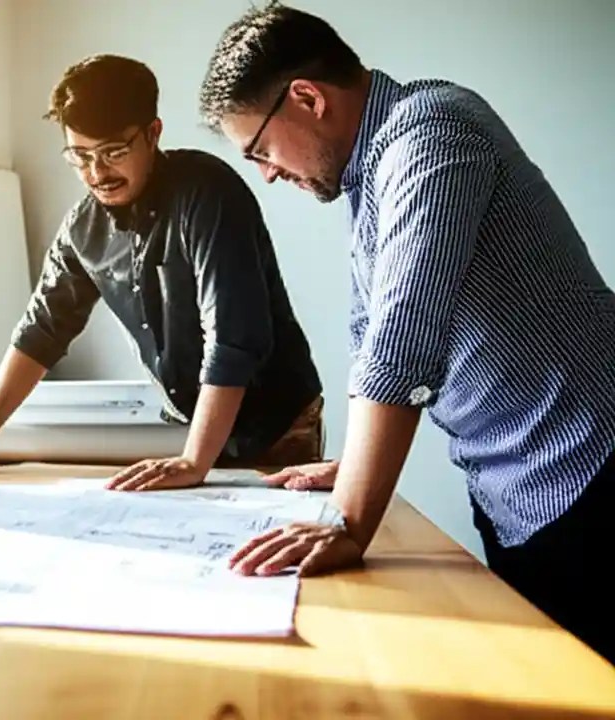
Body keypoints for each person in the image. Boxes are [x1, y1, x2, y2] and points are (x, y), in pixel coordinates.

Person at [198, 2, 615, 664]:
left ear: (306, 98)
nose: (268, 172)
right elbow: (370, 338)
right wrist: (352, 469)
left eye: (260, 150)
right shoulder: (372, 171)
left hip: (588, 466)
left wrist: (350, 521)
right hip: (514, 486)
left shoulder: (432, 131)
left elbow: (402, 341)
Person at [0, 53, 325, 492]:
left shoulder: (208, 193)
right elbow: (41, 331)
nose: (97, 173)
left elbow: (233, 337)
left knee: (278, 529)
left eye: (114, 152)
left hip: (276, 425)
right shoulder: (83, 228)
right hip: (197, 426)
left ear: (153, 133)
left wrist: (194, 461)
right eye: (80, 156)